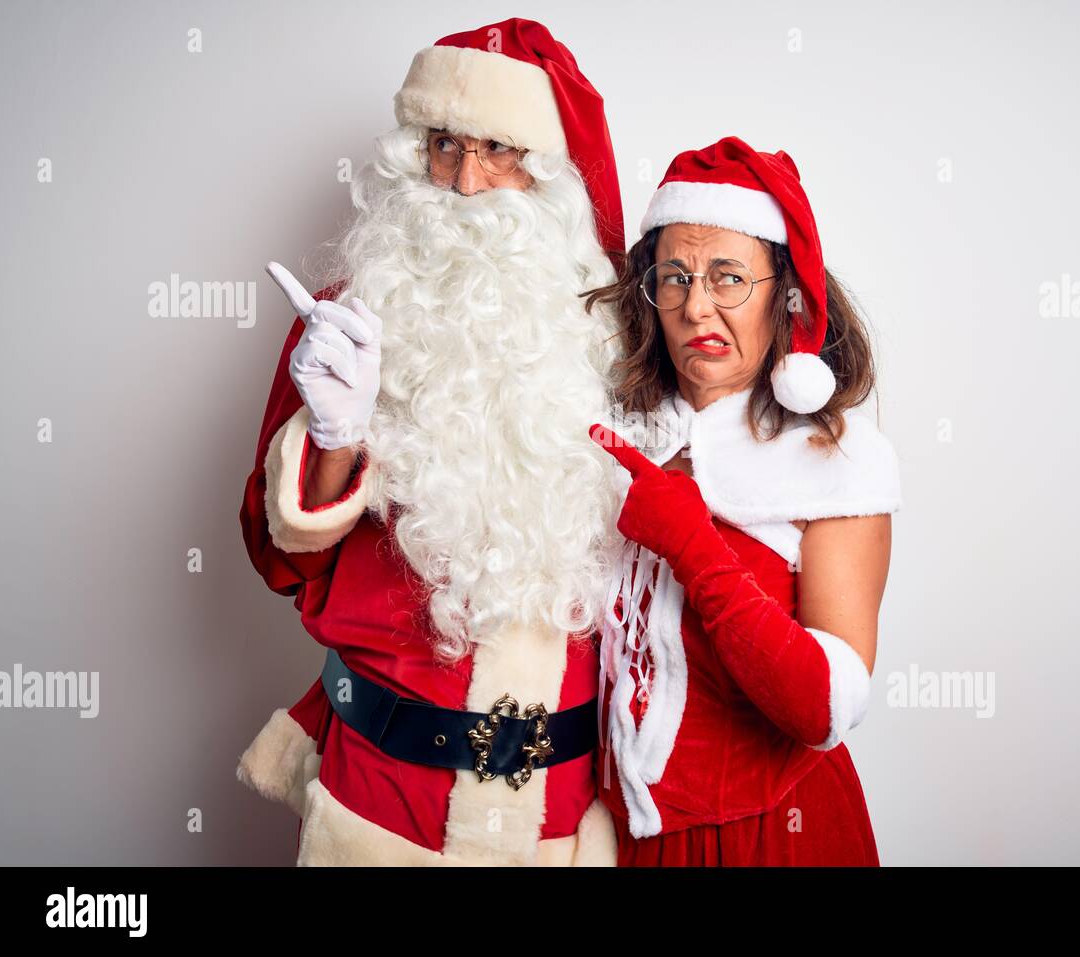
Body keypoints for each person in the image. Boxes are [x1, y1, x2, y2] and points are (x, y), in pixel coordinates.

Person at [234, 18, 628, 866]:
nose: (463, 181)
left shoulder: (612, 338)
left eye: (498, 150)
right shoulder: (349, 320)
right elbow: (276, 558)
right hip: (381, 804)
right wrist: (336, 433)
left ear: (552, 182)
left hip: (558, 817)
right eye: (443, 146)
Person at [583, 136, 901, 865]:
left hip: (770, 837)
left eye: (729, 278)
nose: (697, 307)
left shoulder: (837, 458)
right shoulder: (624, 438)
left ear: (783, 292)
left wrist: (695, 546)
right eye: (674, 278)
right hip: (620, 843)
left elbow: (824, 709)